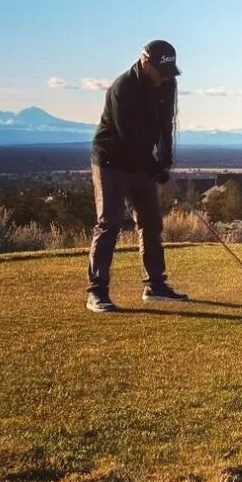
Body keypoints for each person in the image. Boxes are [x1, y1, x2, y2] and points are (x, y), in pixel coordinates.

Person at [86, 40, 190, 312]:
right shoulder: (123, 88)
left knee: (151, 222)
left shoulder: (168, 84)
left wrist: (164, 164)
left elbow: (166, 125)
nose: (164, 78)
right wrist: (158, 173)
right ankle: (97, 292)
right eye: (159, 71)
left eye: (168, 73)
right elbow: (129, 140)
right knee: (109, 223)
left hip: (140, 161)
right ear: (145, 63)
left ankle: (155, 286)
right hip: (111, 161)